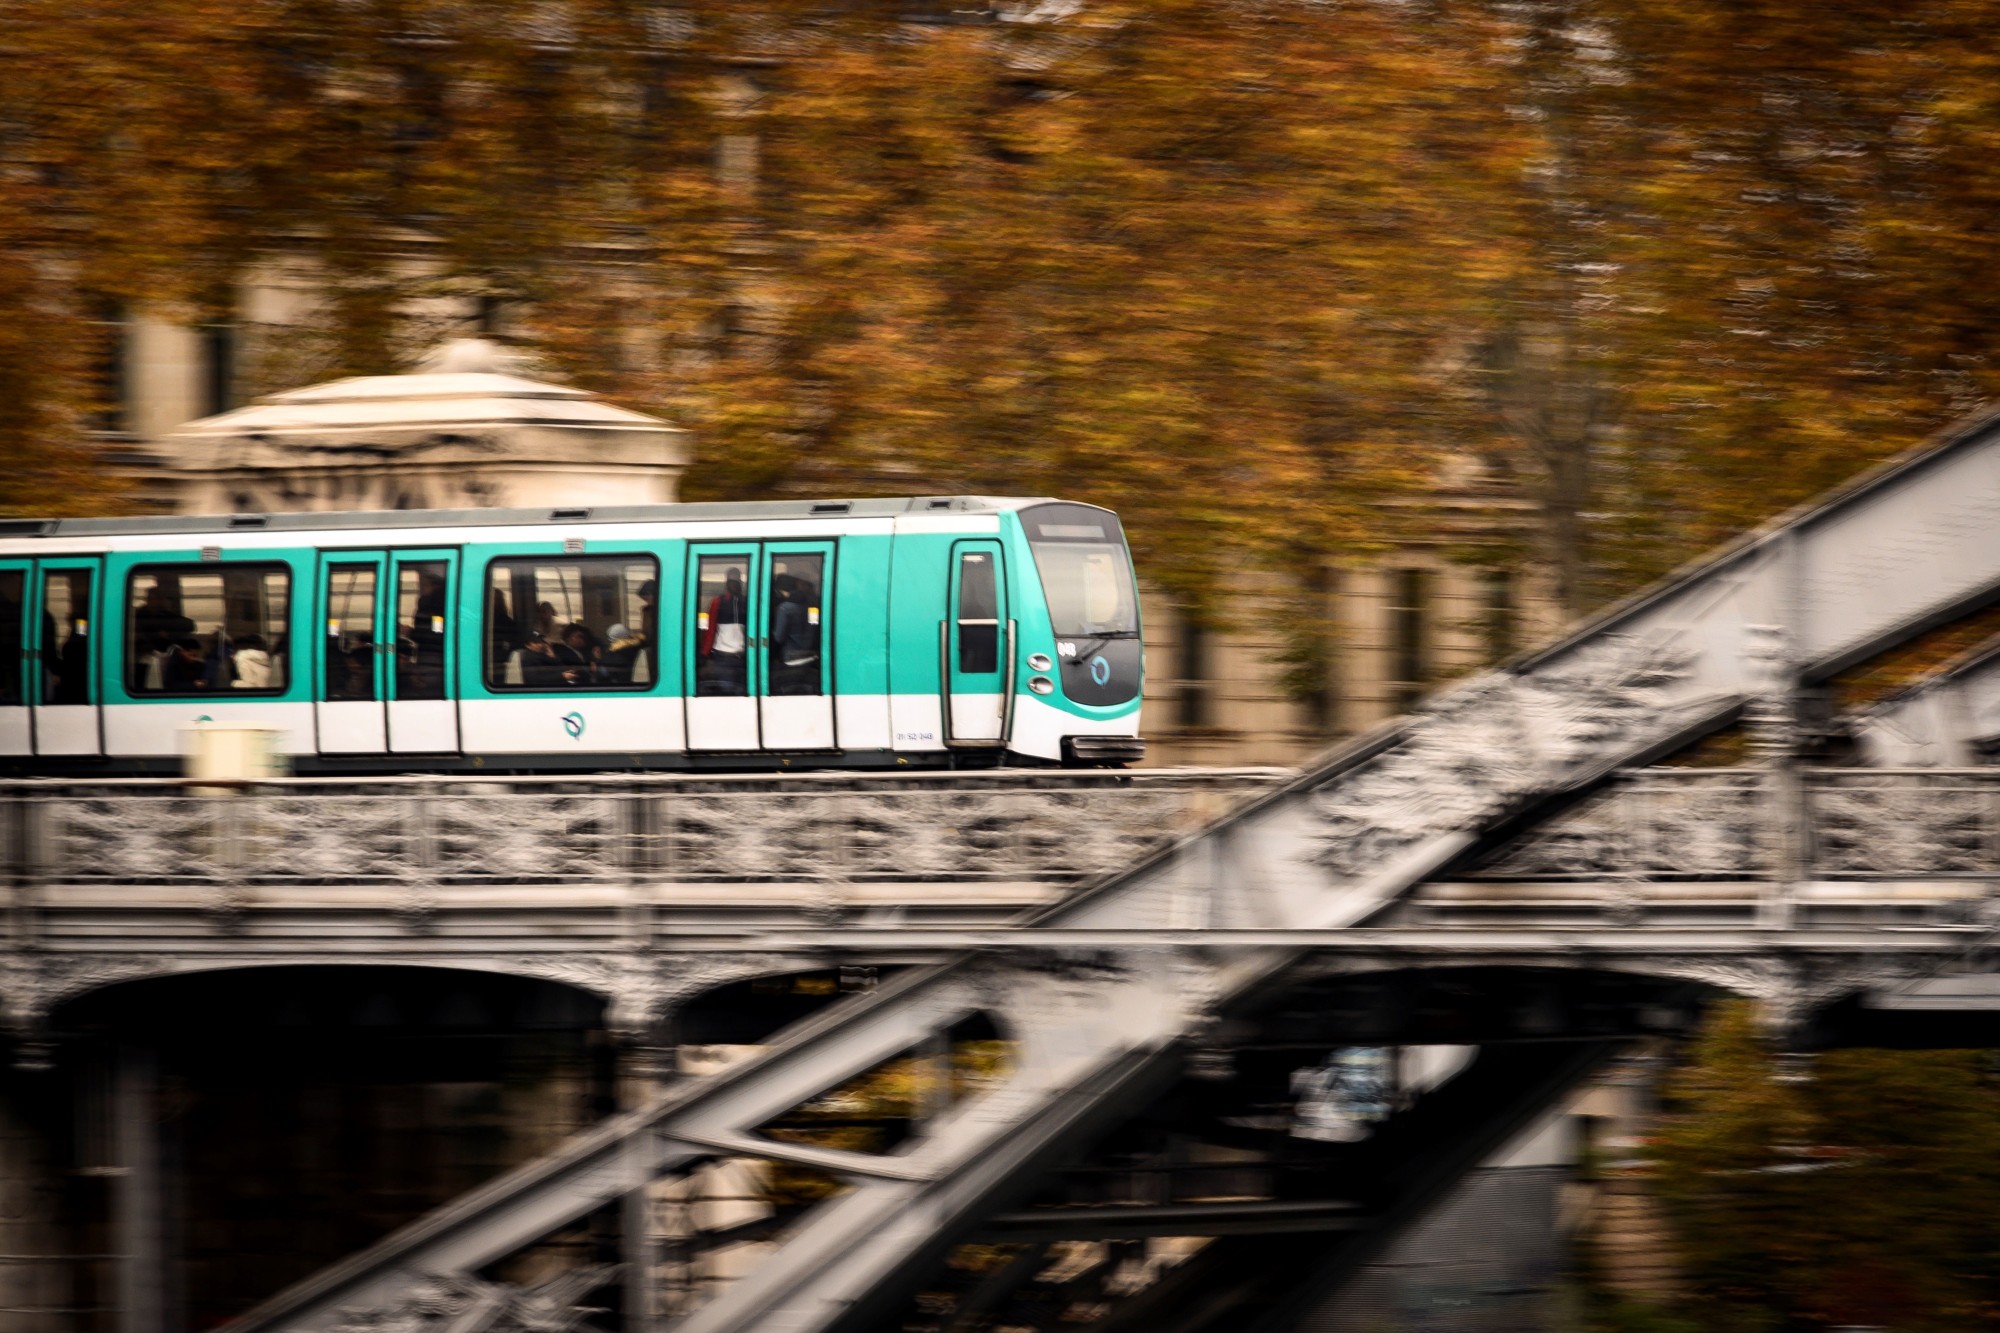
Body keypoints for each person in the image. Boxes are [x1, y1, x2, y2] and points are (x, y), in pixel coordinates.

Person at [698, 567, 748, 695]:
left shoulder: (746, 602)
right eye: (732, 582)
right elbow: (711, 628)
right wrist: (705, 652)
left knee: (738, 691)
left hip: (740, 656)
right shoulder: (719, 601)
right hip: (723, 656)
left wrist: (705, 653)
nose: (734, 585)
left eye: (736, 582)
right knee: (730, 690)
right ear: (727, 583)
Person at [769, 575, 820, 695]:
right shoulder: (812, 607)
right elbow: (814, 627)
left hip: (791, 656)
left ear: (782, 590)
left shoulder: (784, 608)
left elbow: (779, 637)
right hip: (810, 655)